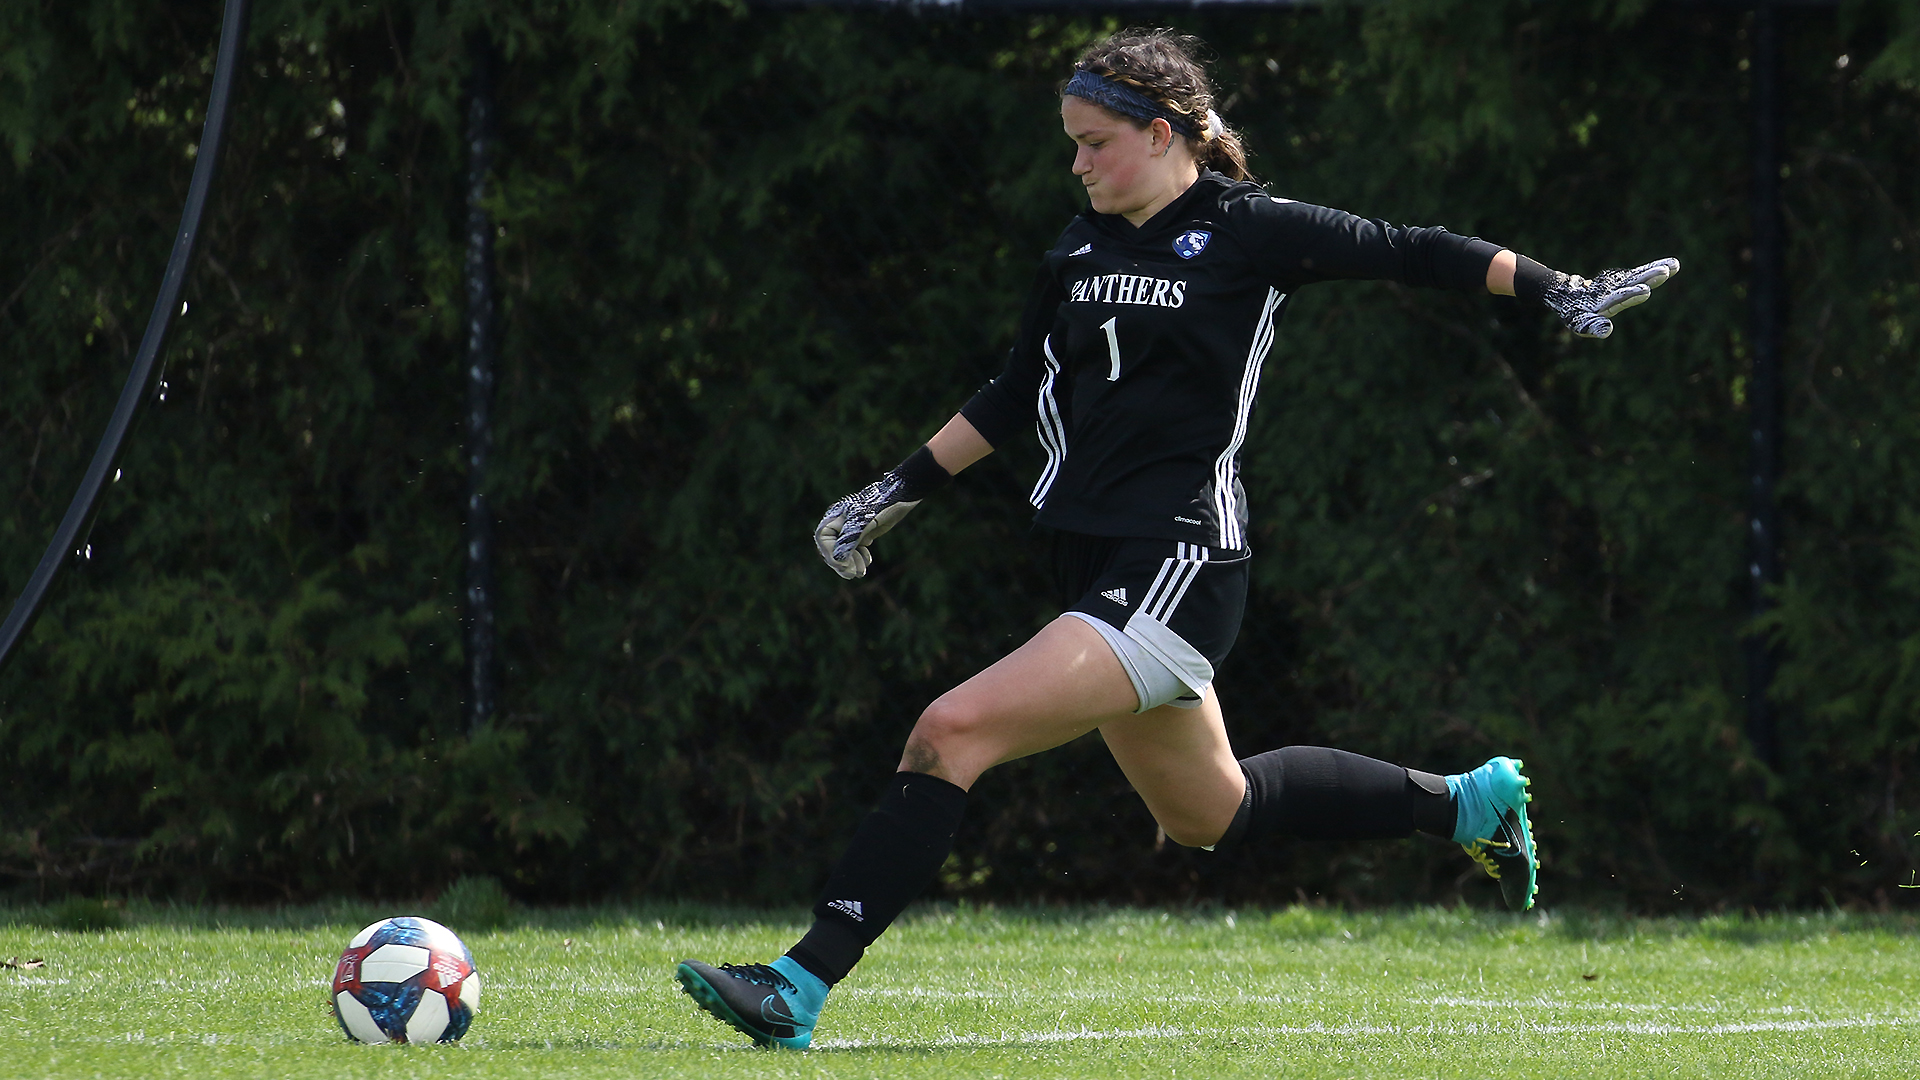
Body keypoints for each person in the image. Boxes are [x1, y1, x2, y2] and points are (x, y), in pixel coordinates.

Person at [674, 28, 1677, 1050]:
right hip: (1095, 563)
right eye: (1071, 143)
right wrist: (896, 487)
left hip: (1179, 563)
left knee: (949, 732)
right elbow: (1017, 392)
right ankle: (1467, 805)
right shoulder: (1076, 247)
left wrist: (1559, 287)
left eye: (1094, 142)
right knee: (1211, 812)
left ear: (1162, 135)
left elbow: (1410, 247)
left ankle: (796, 984)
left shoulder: (1249, 230)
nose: (1077, 163)